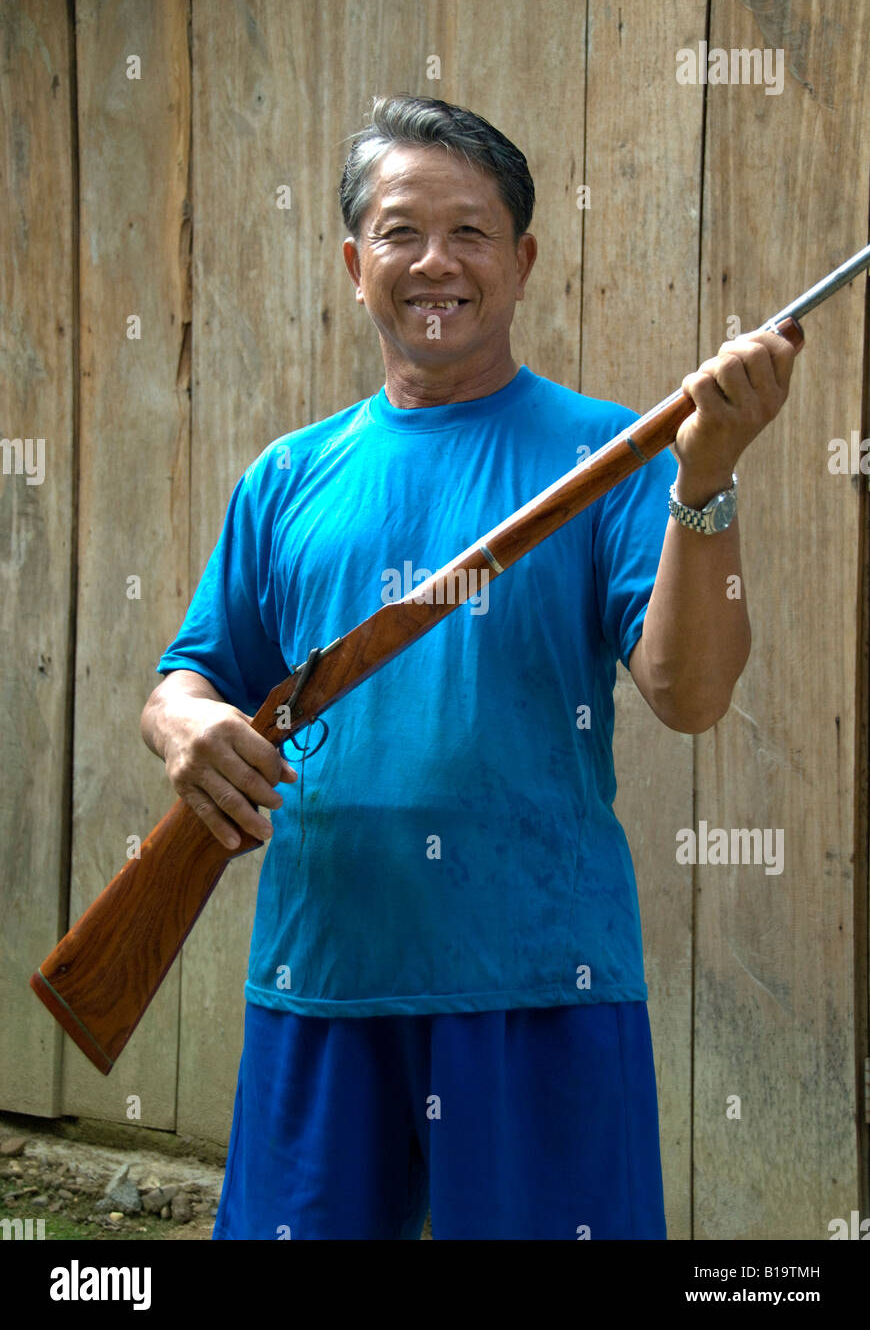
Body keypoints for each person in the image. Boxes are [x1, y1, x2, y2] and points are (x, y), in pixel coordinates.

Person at [141, 94, 798, 1240]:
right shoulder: (287, 477)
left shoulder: (611, 454)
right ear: (355, 263)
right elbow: (189, 673)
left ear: (523, 259)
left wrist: (706, 481)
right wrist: (185, 726)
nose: (435, 262)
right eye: (401, 232)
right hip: (322, 977)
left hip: (544, 982)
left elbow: (689, 696)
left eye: (471, 233)